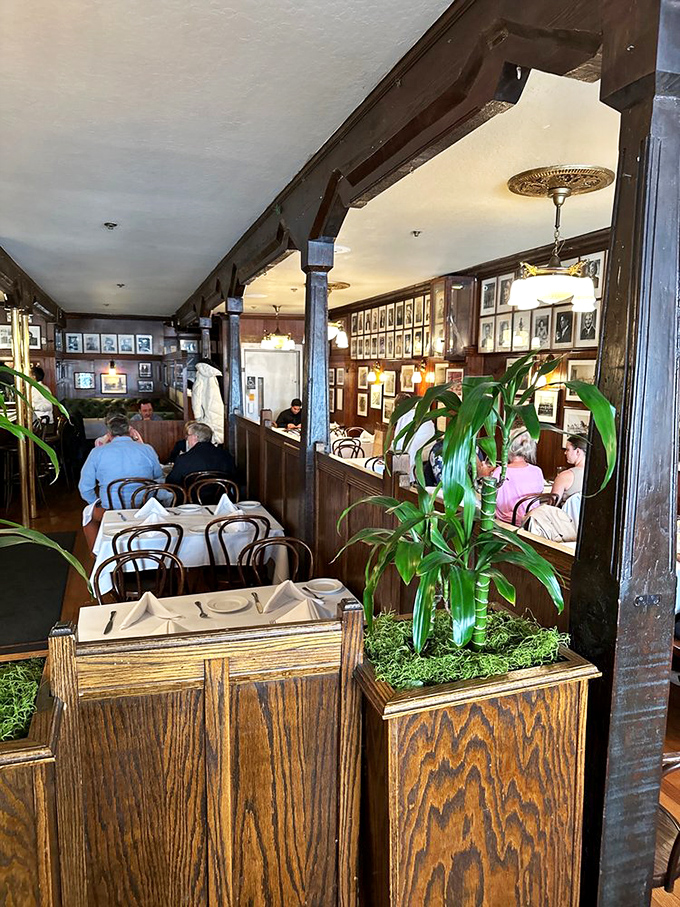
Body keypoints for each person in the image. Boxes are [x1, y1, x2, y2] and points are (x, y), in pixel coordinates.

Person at [78, 413, 163, 548]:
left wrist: (96, 502)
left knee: (88, 516)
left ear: (109, 433)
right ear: (129, 431)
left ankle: (98, 556)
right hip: (144, 507)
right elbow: (158, 477)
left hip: (111, 510)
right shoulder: (147, 449)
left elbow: (85, 488)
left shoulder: (97, 452)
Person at [492, 430, 544, 524]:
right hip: (531, 523)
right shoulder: (537, 471)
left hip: (506, 524)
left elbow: (491, 498)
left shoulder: (501, 472)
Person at [166, 421, 237, 489]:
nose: (187, 438)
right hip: (221, 498)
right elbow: (233, 478)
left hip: (191, 499)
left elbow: (171, 482)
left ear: (195, 437)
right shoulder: (226, 455)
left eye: (188, 435)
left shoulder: (183, 459)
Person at [391, 392, 435, 481]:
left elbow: (398, 444)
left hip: (412, 464)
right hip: (426, 465)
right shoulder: (425, 417)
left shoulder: (405, 418)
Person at [191, 361, 225, 444]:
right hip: (215, 410)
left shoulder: (201, 375)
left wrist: (197, 416)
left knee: (209, 435)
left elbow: (196, 396)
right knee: (216, 433)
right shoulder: (212, 376)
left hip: (207, 413)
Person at [551, 435, 586, 504]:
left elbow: (552, 505)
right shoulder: (597, 475)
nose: (565, 453)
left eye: (567, 449)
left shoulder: (565, 476)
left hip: (566, 514)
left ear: (578, 451)